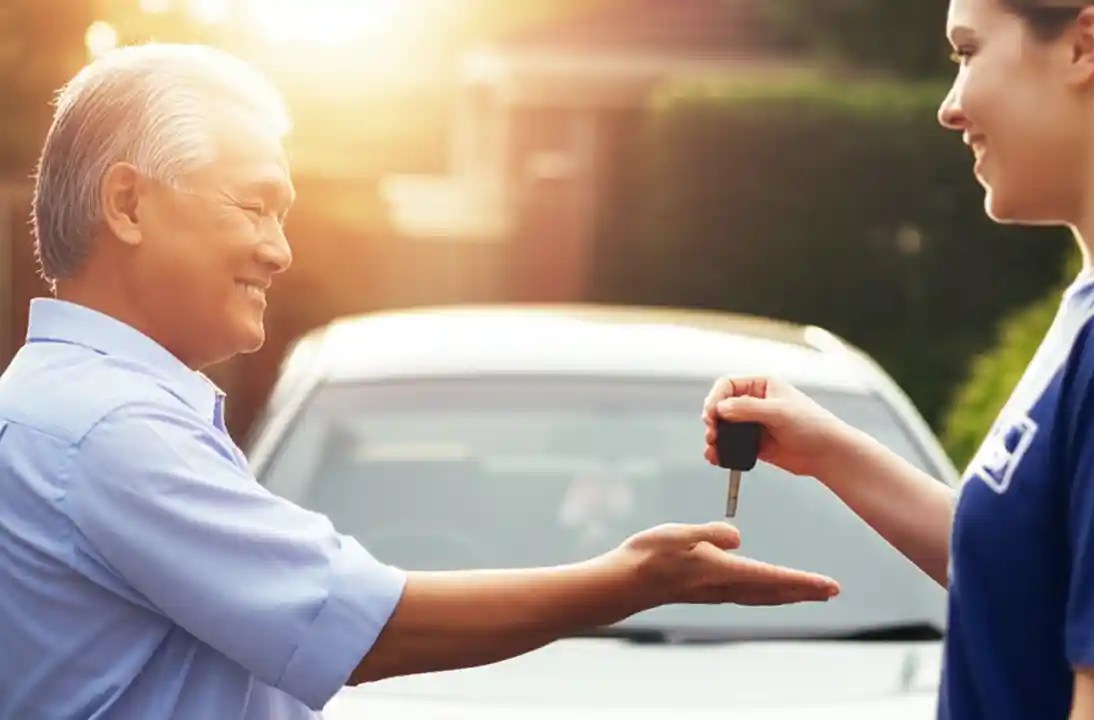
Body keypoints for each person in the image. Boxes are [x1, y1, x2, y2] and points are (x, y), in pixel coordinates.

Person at [0, 44, 840, 719]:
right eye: (252, 207)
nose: (279, 251)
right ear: (129, 205)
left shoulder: (63, 408)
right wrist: (634, 579)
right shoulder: (105, 429)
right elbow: (367, 629)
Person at [703, 1, 1094, 718]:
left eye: (967, 53)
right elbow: (1034, 573)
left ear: (1084, 45)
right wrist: (830, 452)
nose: (950, 107)